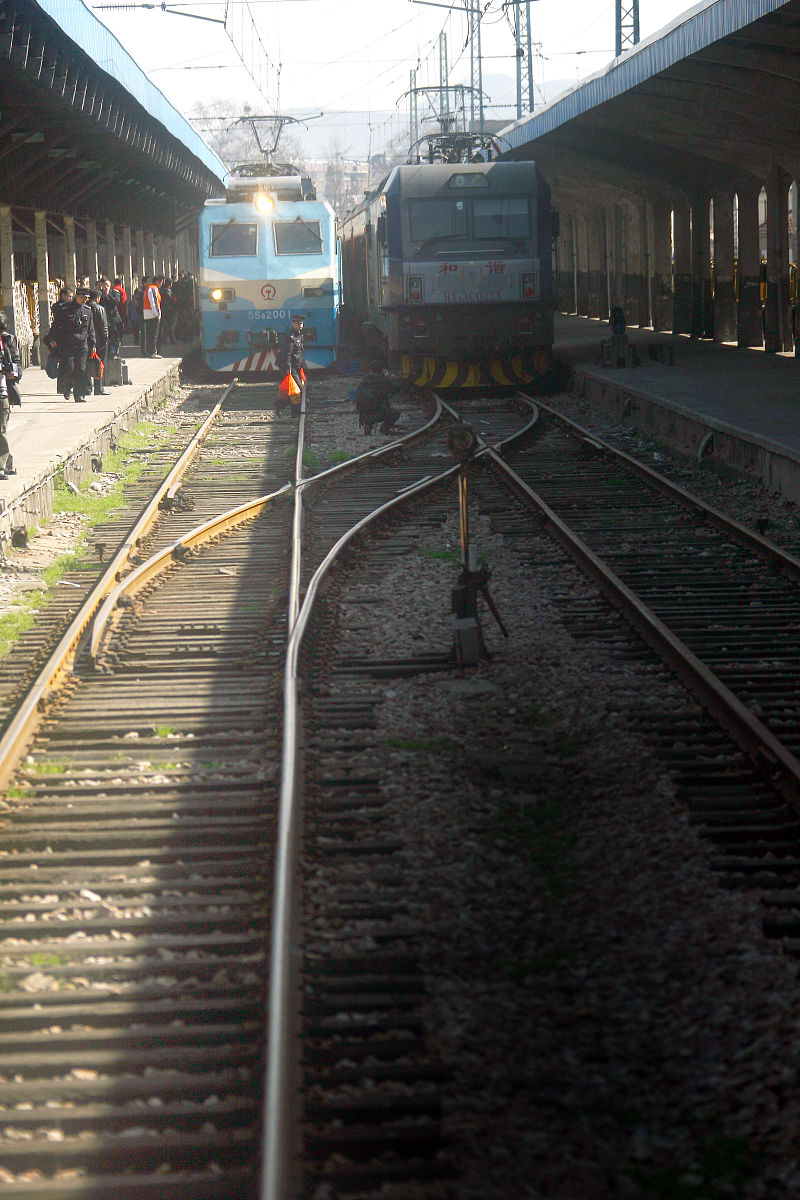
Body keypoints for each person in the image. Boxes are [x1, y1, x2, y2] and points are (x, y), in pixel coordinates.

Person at [45, 286, 96, 402]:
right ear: (77, 296)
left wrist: (93, 344)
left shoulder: (88, 311)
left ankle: (79, 395)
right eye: (82, 297)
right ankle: (67, 385)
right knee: (70, 369)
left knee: (81, 370)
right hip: (68, 345)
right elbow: (56, 325)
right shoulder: (65, 309)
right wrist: (53, 338)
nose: (84, 300)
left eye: (86, 298)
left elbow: (91, 330)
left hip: (82, 346)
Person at [0, 313, 21, 481]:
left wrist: (13, 373)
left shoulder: (8, 341)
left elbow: (16, 363)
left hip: (2, 393)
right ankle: (6, 462)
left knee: (1, 430)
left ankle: (2, 467)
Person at [276, 313, 306, 416]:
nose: (300, 325)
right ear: (293, 324)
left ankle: (286, 409)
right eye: (298, 323)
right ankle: (289, 409)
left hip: (296, 366)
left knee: (294, 390)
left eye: (301, 323)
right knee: (298, 389)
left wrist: (301, 366)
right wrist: (287, 369)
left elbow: (299, 353)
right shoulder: (290, 337)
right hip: (290, 367)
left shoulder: (299, 335)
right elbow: (287, 354)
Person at [88, 287, 109, 395]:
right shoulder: (100, 309)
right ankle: (99, 388)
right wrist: (105, 338)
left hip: (87, 340)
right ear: (97, 298)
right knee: (99, 363)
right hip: (99, 341)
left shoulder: (85, 307)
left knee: (87, 363)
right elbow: (103, 326)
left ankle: (87, 388)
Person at [98, 278, 123, 357]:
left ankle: (114, 352)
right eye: (104, 285)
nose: (105, 287)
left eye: (107, 285)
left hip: (113, 319)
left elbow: (116, 302)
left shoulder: (115, 293)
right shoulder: (99, 294)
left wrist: (108, 294)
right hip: (103, 319)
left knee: (115, 337)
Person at [142, 275, 162, 357]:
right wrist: (157, 314)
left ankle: (149, 351)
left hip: (148, 314)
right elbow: (154, 302)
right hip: (152, 314)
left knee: (149, 334)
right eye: (161, 282)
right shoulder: (153, 289)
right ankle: (153, 351)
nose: (161, 284)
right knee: (154, 334)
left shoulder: (148, 288)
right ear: (157, 281)